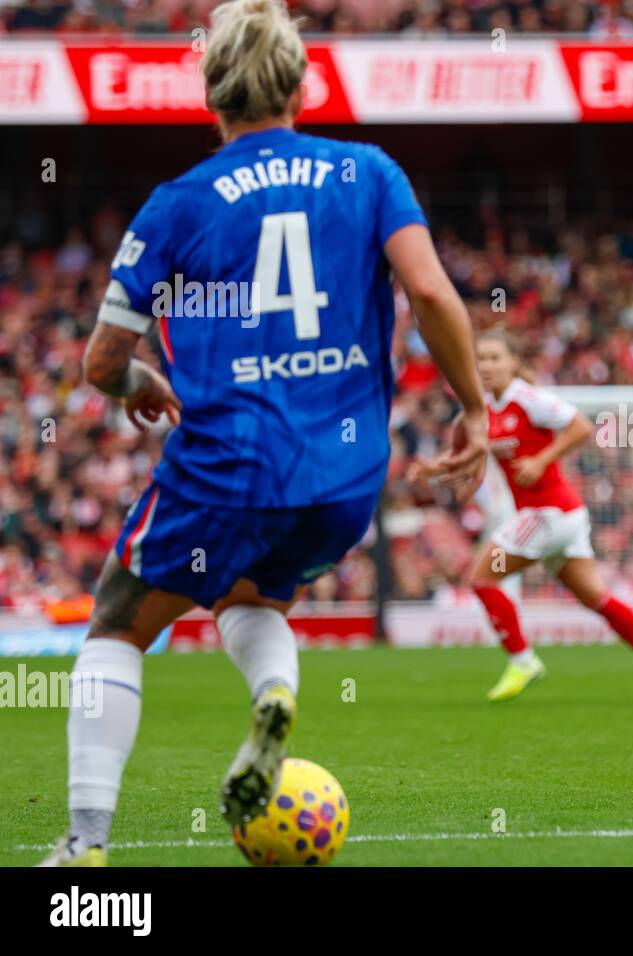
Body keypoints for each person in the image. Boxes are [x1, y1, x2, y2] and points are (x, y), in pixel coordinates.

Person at [39, 0, 488, 866]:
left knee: (119, 623)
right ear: (301, 84)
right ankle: (275, 690)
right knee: (250, 597)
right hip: (346, 474)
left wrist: (135, 381)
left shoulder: (176, 204)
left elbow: (101, 362)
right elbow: (432, 294)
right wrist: (473, 406)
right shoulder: (369, 172)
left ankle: (86, 845)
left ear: (213, 93)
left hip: (228, 464)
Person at [415, 329, 633, 703]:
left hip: (550, 510)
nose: (487, 365)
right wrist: (433, 469)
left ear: (514, 362)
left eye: (495, 357)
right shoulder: (482, 410)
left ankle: (523, 660)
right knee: (595, 597)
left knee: (481, 577)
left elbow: (581, 426)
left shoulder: (527, 399)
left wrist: (541, 461)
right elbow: (467, 454)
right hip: (562, 516)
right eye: (482, 359)